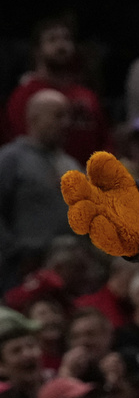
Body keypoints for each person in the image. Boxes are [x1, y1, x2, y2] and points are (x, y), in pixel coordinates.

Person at [2, 18, 111, 166]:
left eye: (66, 39)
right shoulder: (25, 95)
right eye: (52, 40)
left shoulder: (87, 95)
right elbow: (18, 143)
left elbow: (104, 140)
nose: (61, 45)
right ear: (37, 51)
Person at [0, 89, 80, 289]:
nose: (66, 123)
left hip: (69, 266)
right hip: (24, 267)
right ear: (34, 118)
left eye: (68, 116)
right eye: (58, 116)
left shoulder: (71, 164)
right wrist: (13, 252)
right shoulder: (11, 159)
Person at [0, 307, 45, 398]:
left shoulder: (55, 390)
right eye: (16, 350)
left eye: (31, 346)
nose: (27, 354)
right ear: (1, 366)